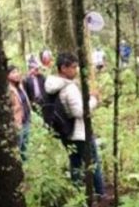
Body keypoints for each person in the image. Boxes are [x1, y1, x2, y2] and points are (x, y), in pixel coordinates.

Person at [43, 52, 105, 196]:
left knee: (75, 163)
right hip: (79, 132)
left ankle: (77, 195)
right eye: (73, 67)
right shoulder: (68, 87)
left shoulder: (52, 85)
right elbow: (79, 111)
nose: (76, 70)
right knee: (93, 163)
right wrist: (94, 100)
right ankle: (100, 194)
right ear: (63, 68)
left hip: (66, 131)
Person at [7, 64, 31, 161]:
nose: (17, 74)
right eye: (13, 72)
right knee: (18, 146)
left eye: (17, 71)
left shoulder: (20, 86)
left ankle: (26, 165)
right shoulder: (9, 90)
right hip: (17, 123)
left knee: (25, 145)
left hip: (26, 119)